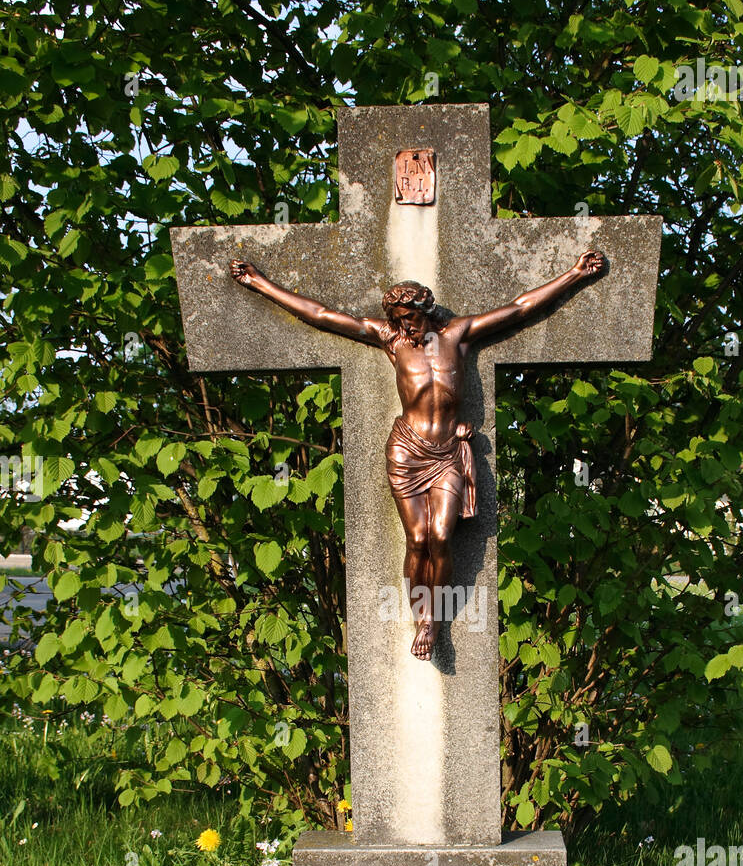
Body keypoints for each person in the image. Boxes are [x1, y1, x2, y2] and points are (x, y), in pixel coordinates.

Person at [230, 249, 606, 658]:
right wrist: (259, 283)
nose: (402, 326)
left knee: (442, 537)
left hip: (446, 453)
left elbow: (518, 308)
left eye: (408, 317)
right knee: (418, 538)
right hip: (407, 449)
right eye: (396, 319)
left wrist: (574, 274)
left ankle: (434, 620)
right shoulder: (391, 340)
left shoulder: (457, 336)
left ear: (425, 310)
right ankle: (419, 617)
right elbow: (322, 315)